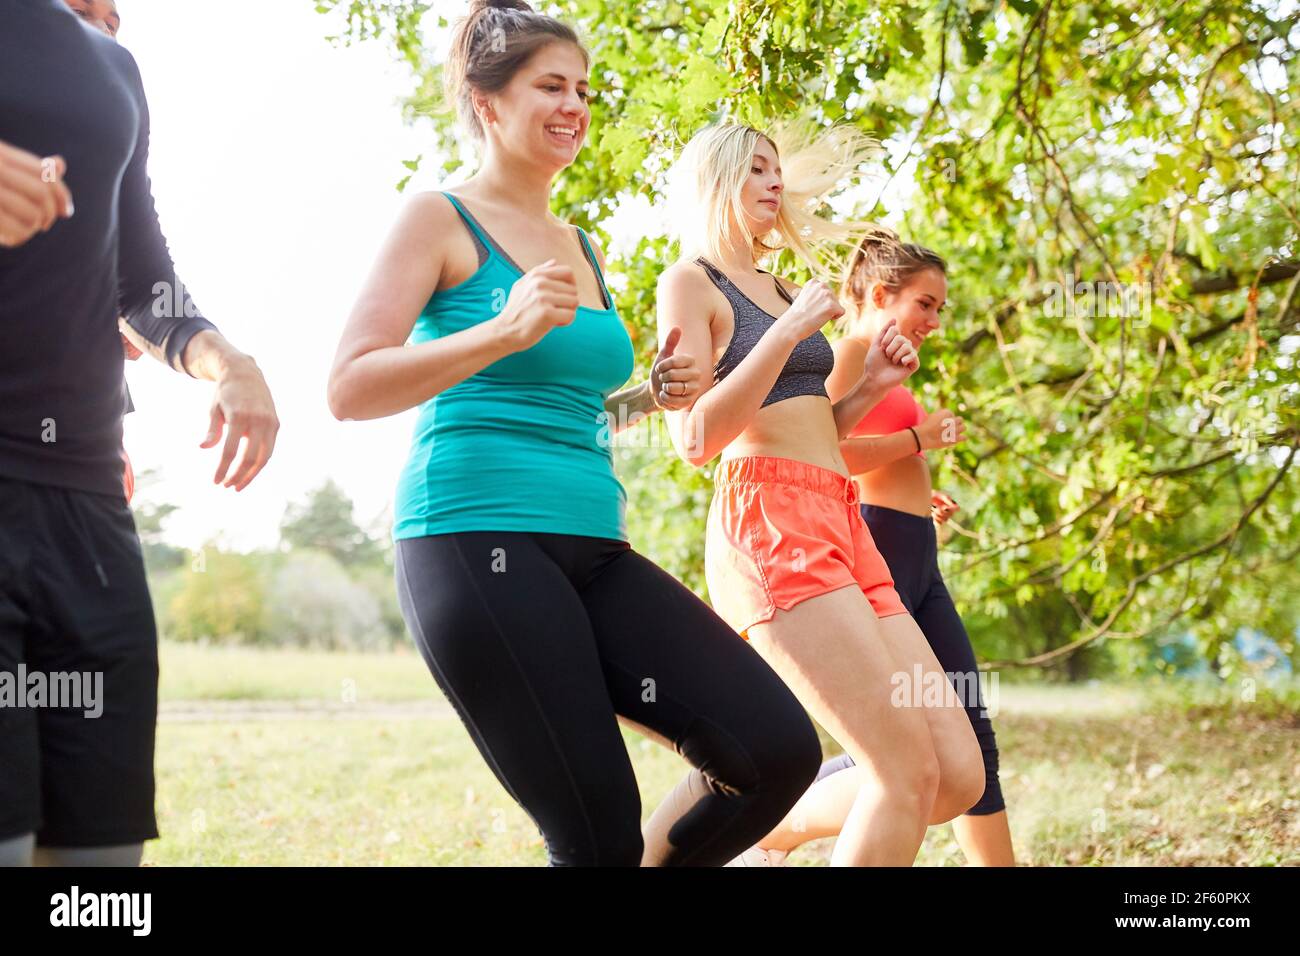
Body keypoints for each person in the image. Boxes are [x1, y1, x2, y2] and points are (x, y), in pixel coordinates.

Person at [327, 0, 821, 866]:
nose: (575, 107)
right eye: (550, 86)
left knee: (774, 749)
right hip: (473, 540)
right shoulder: (438, 218)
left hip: (593, 545)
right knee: (594, 830)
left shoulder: (579, 243)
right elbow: (349, 386)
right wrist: (500, 332)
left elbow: (565, 401)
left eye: (585, 90)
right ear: (487, 102)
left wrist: (644, 397)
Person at [656, 121, 985, 866]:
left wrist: (870, 386)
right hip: (769, 523)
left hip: (839, 513)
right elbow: (695, 439)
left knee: (956, 774)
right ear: (718, 181)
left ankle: (771, 830)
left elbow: (817, 432)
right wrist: (786, 331)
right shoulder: (691, 282)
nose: (775, 182)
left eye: (777, 169)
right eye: (756, 169)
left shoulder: (776, 287)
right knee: (902, 772)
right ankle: (763, 829)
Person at [0, 0, 279, 867]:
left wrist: (225, 360)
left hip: (87, 513)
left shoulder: (111, 66)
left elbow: (141, 277)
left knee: (101, 870)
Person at [738, 232, 1016, 865]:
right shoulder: (844, 356)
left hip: (914, 546)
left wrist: (922, 491)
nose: (935, 322)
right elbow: (823, 448)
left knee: (962, 724)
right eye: (925, 303)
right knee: (923, 733)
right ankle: (773, 832)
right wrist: (919, 441)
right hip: (874, 549)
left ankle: (774, 832)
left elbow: (874, 453)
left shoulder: (887, 362)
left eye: (940, 309)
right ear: (880, 293)